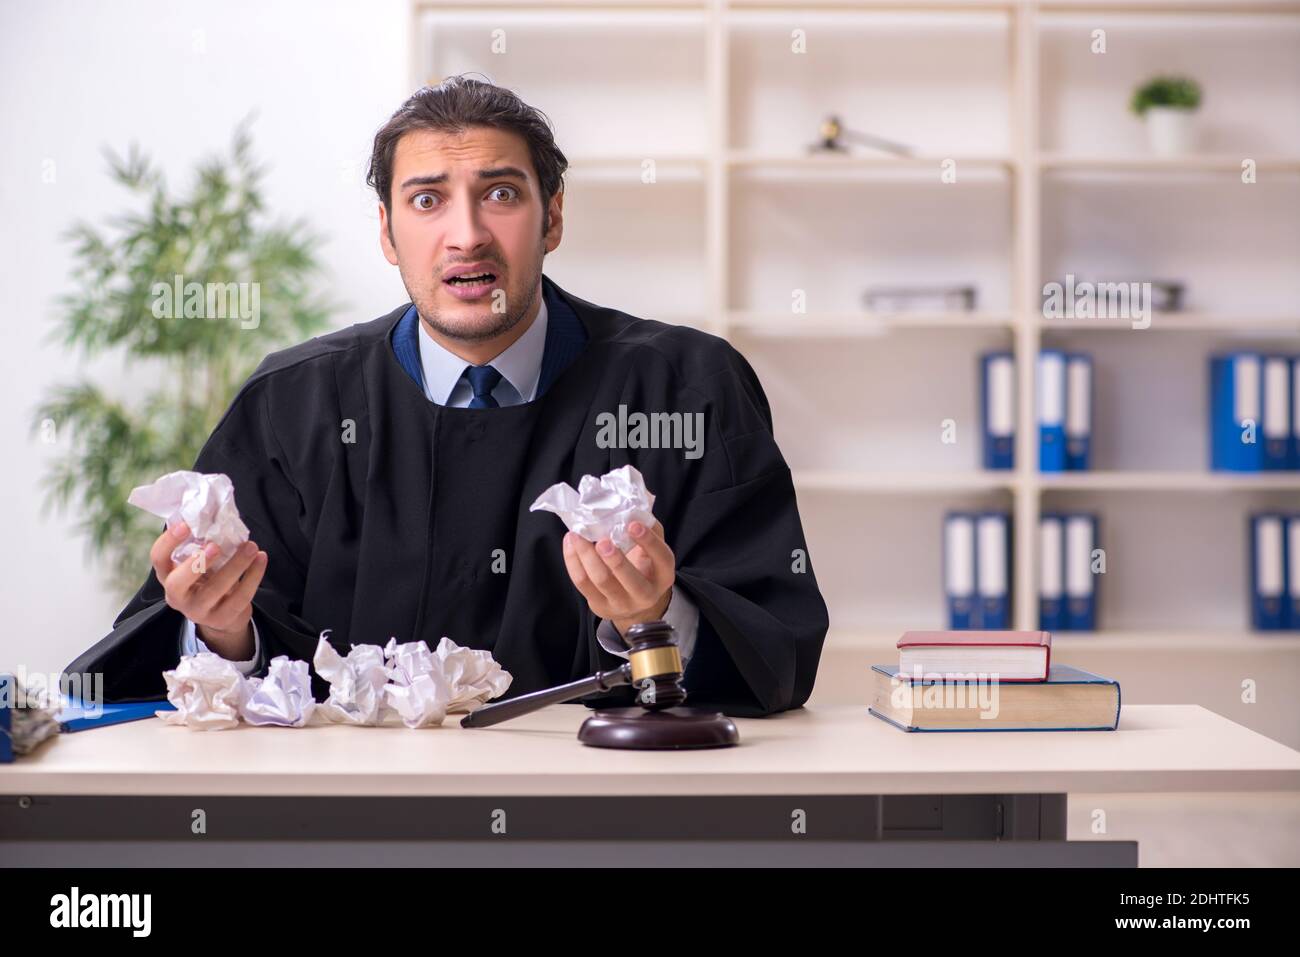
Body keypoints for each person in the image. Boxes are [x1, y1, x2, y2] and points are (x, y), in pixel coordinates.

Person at [66, 76, 828, 717]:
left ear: (552, 217)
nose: (467, 235)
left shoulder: (684, 390)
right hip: (350, 822)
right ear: (389, 235)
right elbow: (163, 668)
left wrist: (650, 621)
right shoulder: (293, 405)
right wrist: (227, 631)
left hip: (604, 820)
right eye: (427, 200)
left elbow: (781, 651)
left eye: (500, 193)